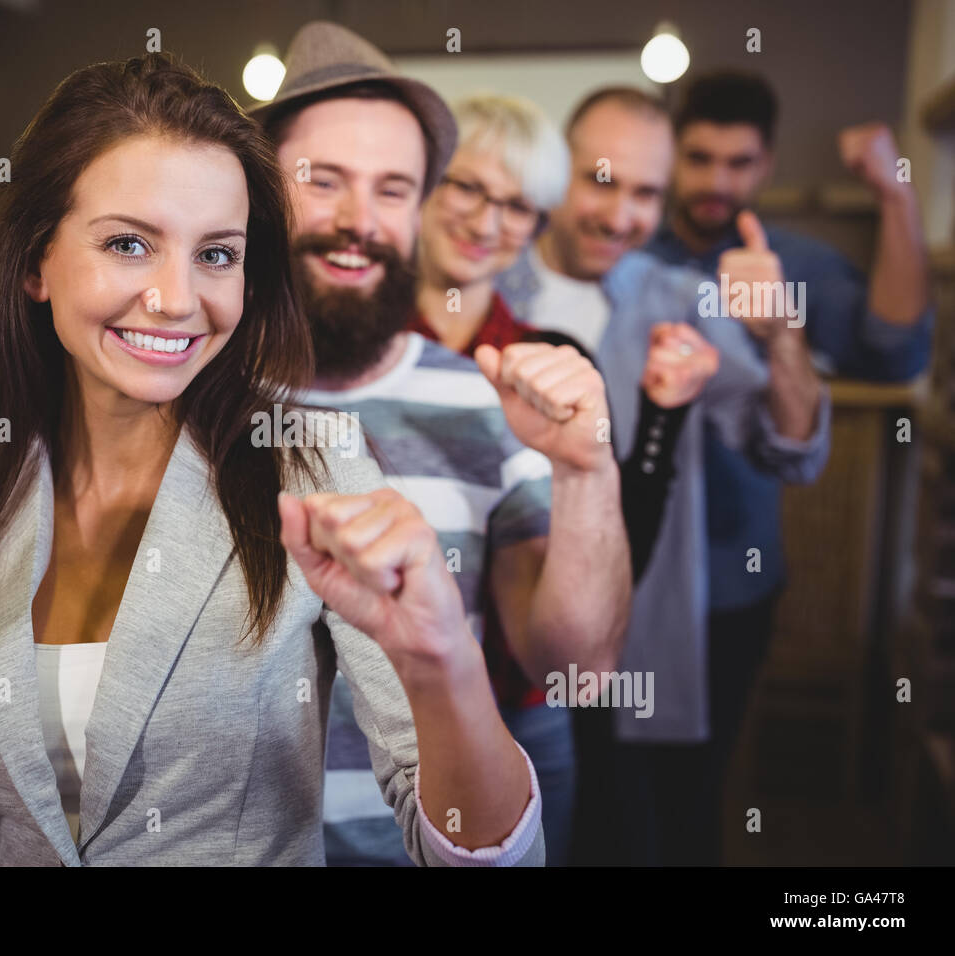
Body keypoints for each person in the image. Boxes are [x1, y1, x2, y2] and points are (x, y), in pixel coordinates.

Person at [0, 53, 544, 867]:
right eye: (129, 244)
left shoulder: (307, 465)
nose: (178, 299)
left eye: (217, 254)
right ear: (36, 261)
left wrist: (444, 662)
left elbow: (486, 853)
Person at [252, 21, 632, 867]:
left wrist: (585, 470)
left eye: (393, 189)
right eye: (322, 180)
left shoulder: (484, 399)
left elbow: (575, 667)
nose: (359, 221)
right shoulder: (188, 386)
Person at [495, 86, 832, 865]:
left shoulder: (684, 300)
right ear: (557, 174)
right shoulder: (486, 280)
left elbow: (795, 451)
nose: (621, 216)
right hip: (495, 639)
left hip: (632, 638)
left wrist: (780, 334)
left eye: (646, 193)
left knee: (639, 835)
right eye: (602, 182)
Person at [406, 91, 719, 862]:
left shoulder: (552, 362)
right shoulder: (352, 349)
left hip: (524, 711)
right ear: (422, 187)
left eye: (518, 205)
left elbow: (616, 562)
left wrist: (658, 417)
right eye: (468, 188)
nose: (487, 223)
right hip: (361, 711)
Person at [643, 72, 934, 811]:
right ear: (673, 152)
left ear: (766, 163)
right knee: (612, 795)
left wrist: (895, 193)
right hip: (624, 577)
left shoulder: (790, 266)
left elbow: (896, 352)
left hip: (733, 576)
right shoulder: (624, 242)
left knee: (696, 795)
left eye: (738, 163)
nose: (716, 181)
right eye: (700, 158)